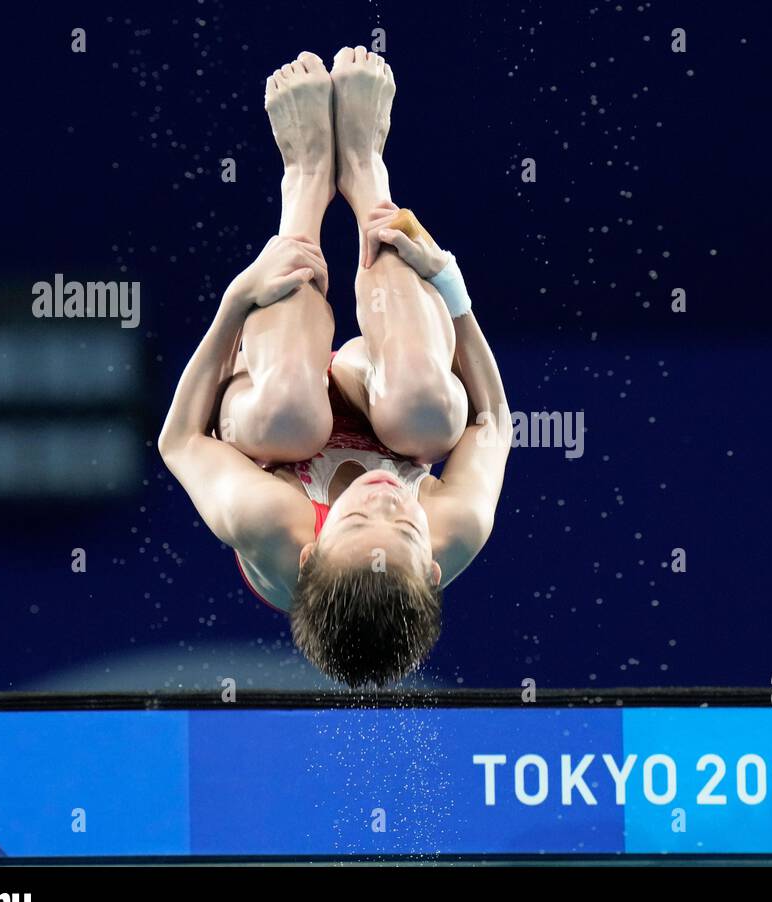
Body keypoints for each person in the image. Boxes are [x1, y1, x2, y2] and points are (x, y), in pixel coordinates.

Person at [158, 47, 511, 687]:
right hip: (371, 383)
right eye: (403, 522)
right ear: (432, 566)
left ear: (313, 546)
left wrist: (238, 299)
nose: (380, 501)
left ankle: (306, 176)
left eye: (354, 518)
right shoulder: (459, 527)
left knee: (286, 416)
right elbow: (492, 421)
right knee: (427, 413)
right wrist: (451, 289)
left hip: (273, 396)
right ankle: (368, 173)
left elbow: (179, 440)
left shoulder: (266, 522)